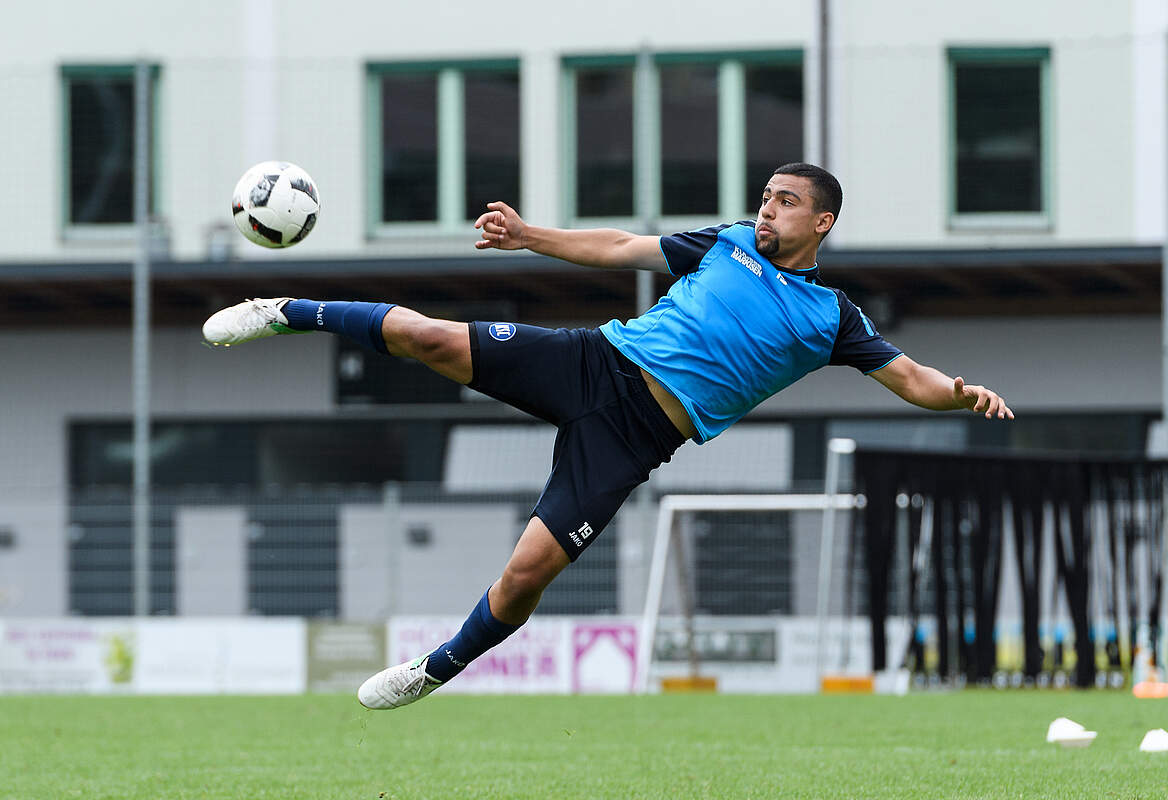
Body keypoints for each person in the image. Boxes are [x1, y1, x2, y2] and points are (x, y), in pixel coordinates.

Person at [202, 162, 1014, 709]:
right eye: (766, 196)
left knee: (526, 577)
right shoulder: (726, 243)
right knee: (432, 337)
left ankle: (435, 668)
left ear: (822, 221)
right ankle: (282, 311)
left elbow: (912, 380)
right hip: (593, 363)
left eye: (786, 201)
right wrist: (529, 236)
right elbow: (623, 247)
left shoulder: (833, 317)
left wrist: (959, 395)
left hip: (633, 441)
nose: (768, 208)